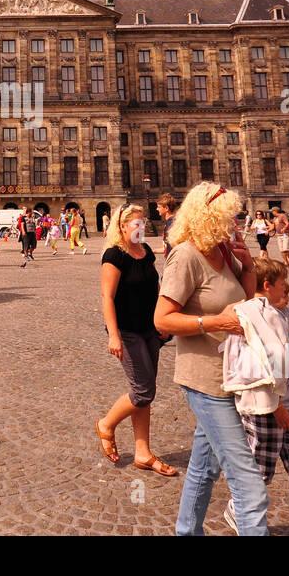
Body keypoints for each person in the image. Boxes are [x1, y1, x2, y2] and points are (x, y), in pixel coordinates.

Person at [152, 181, 268, 535]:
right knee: (249, 486)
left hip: (232, 375)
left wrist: (248, 266)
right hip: (205, 383)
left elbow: (245, 299)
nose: (234, 220)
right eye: (227, 214)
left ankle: (187, 531)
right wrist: (213, 322)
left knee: (204, 468)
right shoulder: (185, 255)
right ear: (208, 216)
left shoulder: (223, 251)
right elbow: (162, 320)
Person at [226, 258, 289, 535]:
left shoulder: (283, 314)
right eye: (283, 285)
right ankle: (238, 509)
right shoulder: (246, 315)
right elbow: (251, 368)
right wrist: (277, 406)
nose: (287, 291)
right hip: (264, 410)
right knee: (260, 474)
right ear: (267, 286)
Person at [96, 204, 176, 476]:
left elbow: (156, 289)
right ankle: (107, 424)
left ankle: (142, 452)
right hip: (127, 331)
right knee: (142, 391)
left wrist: (162, 320)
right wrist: (114, 335)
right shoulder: (114, 255)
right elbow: (107, 297)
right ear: (122, 227)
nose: (140, 228)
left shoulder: (145, 253)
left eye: (143, 223)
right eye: (136, 224)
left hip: (149, 329)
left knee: (145, 392)